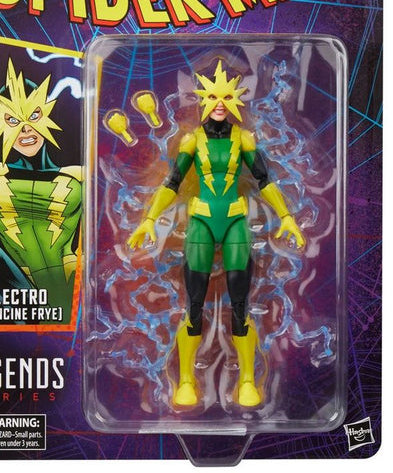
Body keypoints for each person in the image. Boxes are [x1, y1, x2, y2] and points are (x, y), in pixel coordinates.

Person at [128, 60, 305, 407]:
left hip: (236, 221)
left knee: (240, 305)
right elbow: (172, 182)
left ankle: (248, 381)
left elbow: (264, 180)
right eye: (213, 97)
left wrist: (286, 216)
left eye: (226, 97)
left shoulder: (244, 138)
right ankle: (186, 382)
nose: (220, 103)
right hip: (202, 223)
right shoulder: (191, 140)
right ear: (204, 101)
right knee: (193, 305)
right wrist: (149, 219)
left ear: (235, 100)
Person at [0, 57, 82, 325]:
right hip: (21, 292)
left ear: (47, 116)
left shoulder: (78, 175)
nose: (26, 128)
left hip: (72, 285)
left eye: (34, 116)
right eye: (13, 120)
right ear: (1, 125)